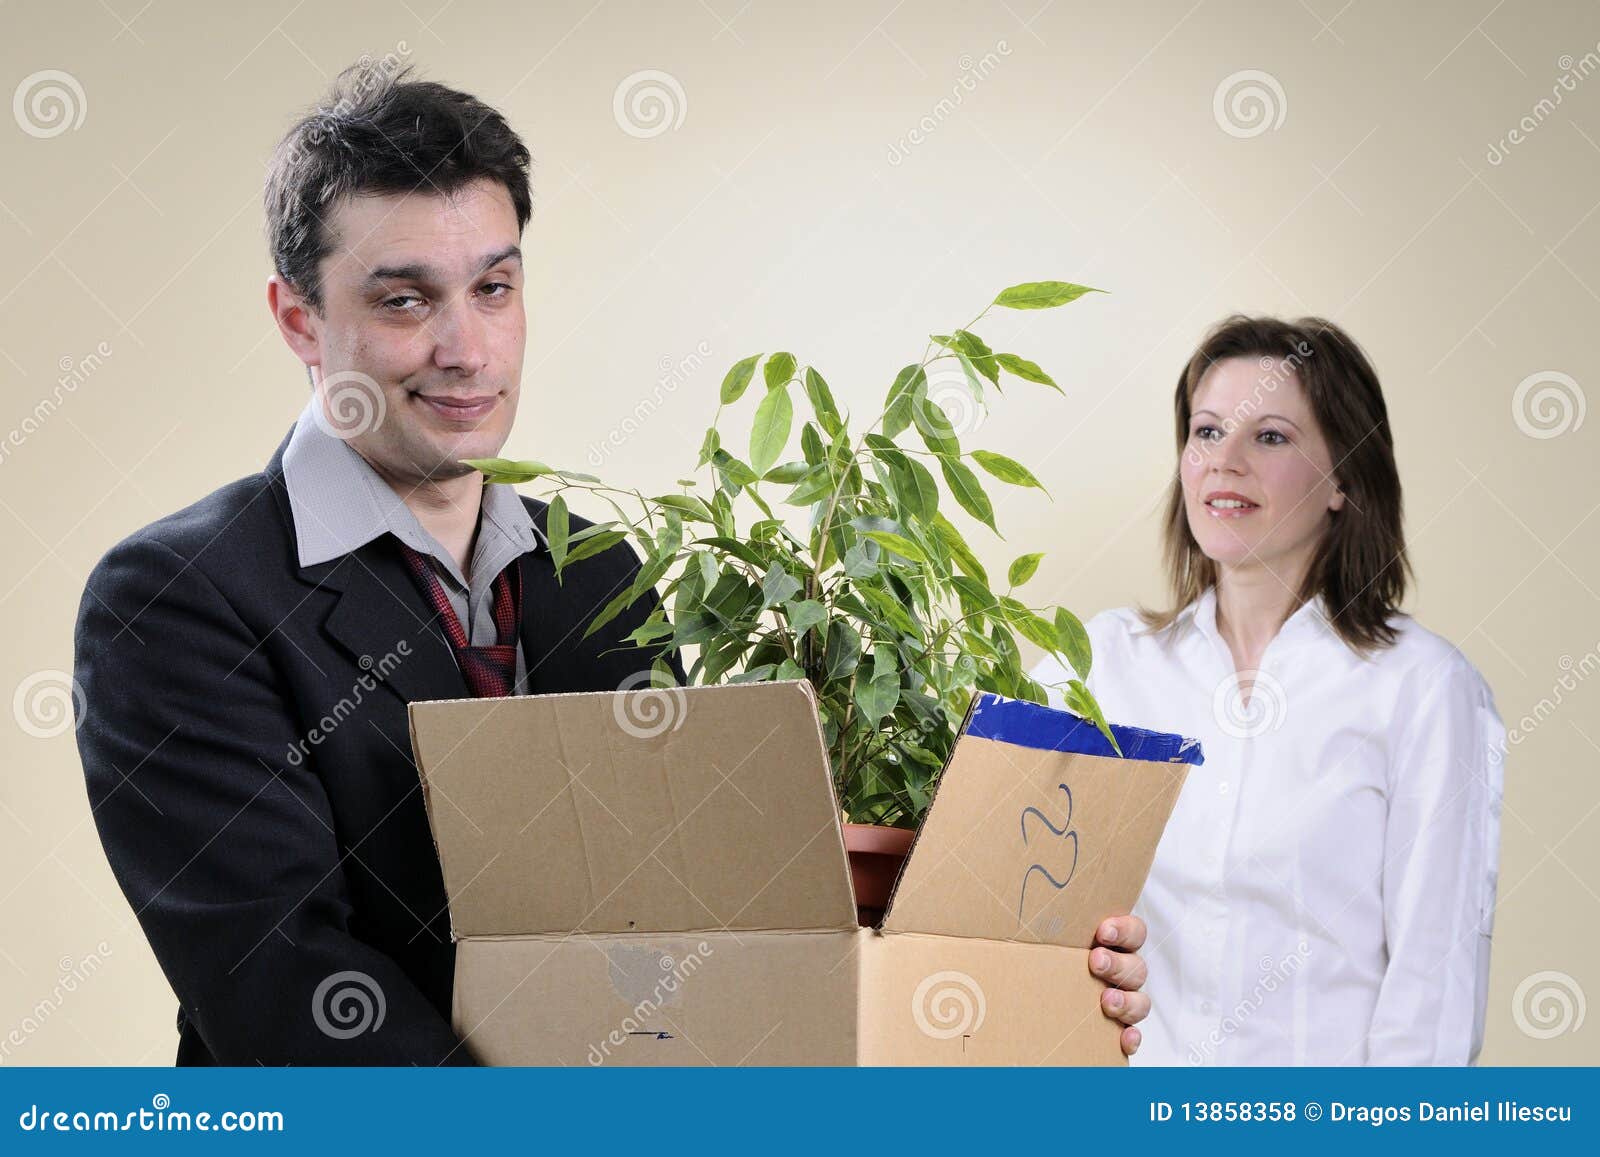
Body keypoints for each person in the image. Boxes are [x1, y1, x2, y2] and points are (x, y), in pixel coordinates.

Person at [72, 61, 1150, 1064]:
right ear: (298, 319)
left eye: (493, 288)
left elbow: (690, 920)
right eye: (405, 300)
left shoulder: (594, 570)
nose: (466, 347)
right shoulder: (177, 597)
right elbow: (279, 982)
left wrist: (1008, 969)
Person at [1034, 315, 1506, 1065]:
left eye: (1272, 437)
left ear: (1344, 481)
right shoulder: (1099, 665)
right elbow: (995, 881)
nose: (1226, 462)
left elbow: (1432, 999)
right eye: (1208, 431)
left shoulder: (1424, 689)